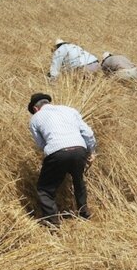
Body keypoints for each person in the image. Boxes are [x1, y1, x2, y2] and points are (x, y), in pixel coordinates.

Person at [27, 93, 96, 226]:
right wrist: (91, 151)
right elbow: (88, 133)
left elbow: (42, 145)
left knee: (44, 189)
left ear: (35, 109)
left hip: (57, 152)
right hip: (79, 148)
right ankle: (84, 213)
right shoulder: (69, 110)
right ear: (48, 102)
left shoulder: (35, 119)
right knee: (78, 180)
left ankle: (53, 222)